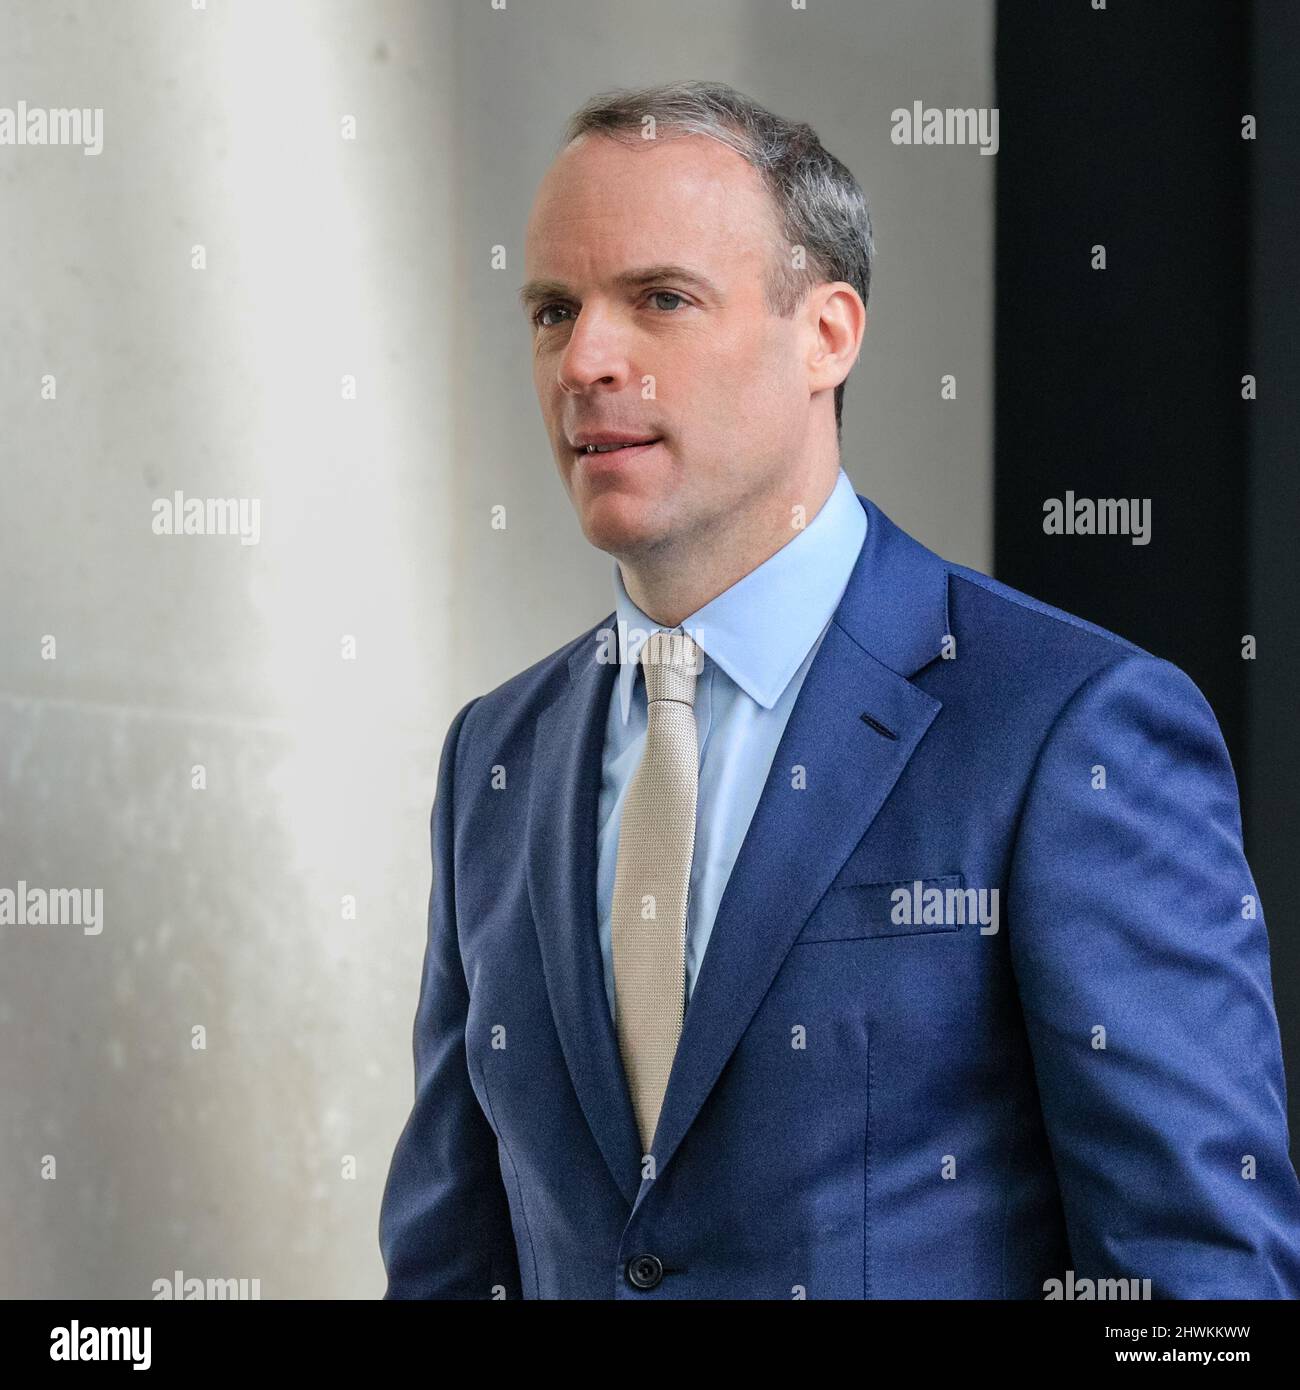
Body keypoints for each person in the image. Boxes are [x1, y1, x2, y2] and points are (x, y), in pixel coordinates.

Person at [379, 80, 1300, 1299]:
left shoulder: (1064, 728)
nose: (585, 360)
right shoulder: (493, 760)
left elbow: (1199, 1284)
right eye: (553, 310)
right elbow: (453, 1265)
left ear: (828, 333)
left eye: (659, 298)